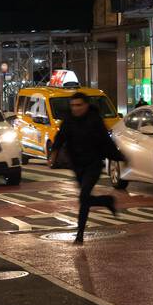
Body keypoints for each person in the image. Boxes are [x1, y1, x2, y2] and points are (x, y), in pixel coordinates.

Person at [50, 92, 125, 245]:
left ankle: (79, 235)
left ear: (86, 105)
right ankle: (106, 201)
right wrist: (54, 154)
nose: (75, 109)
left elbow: (106, 142)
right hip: (77, 165)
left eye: (79, 105)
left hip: (93, 164)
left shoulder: (95, 120)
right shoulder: (69, 120)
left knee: (84, 197)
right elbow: (60, 137)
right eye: (72, 105)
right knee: (85, 198)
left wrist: (119, 157)